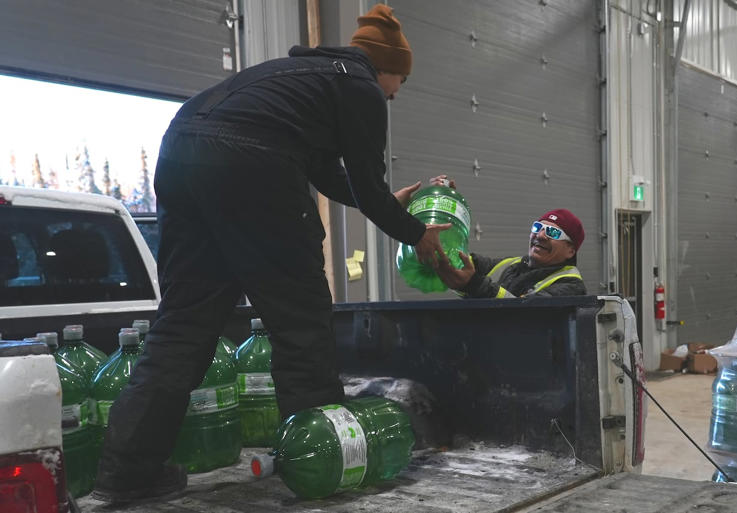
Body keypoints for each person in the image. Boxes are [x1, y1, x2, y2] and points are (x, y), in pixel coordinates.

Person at [93, 4, 449, 503]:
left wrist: (387, 202)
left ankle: (127, 471)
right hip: (250, 160)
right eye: (400, 82)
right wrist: (418, 234)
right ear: (384, 67)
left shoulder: (300, 78)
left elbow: (329, 176)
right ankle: (322, 462)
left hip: (181, 150)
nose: (395, 93)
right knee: (301, 320)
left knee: (183, 326)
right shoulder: (360, 87)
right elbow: (368, 188)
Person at [433, 177, 586, 298]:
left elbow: (523, 313)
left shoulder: (571, 286)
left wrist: (473, 284)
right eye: (537, 227)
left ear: (570, 251)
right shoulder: (510, 265)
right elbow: (457, 259)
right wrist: (446, 207)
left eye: (553, 232)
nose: (540, 235)